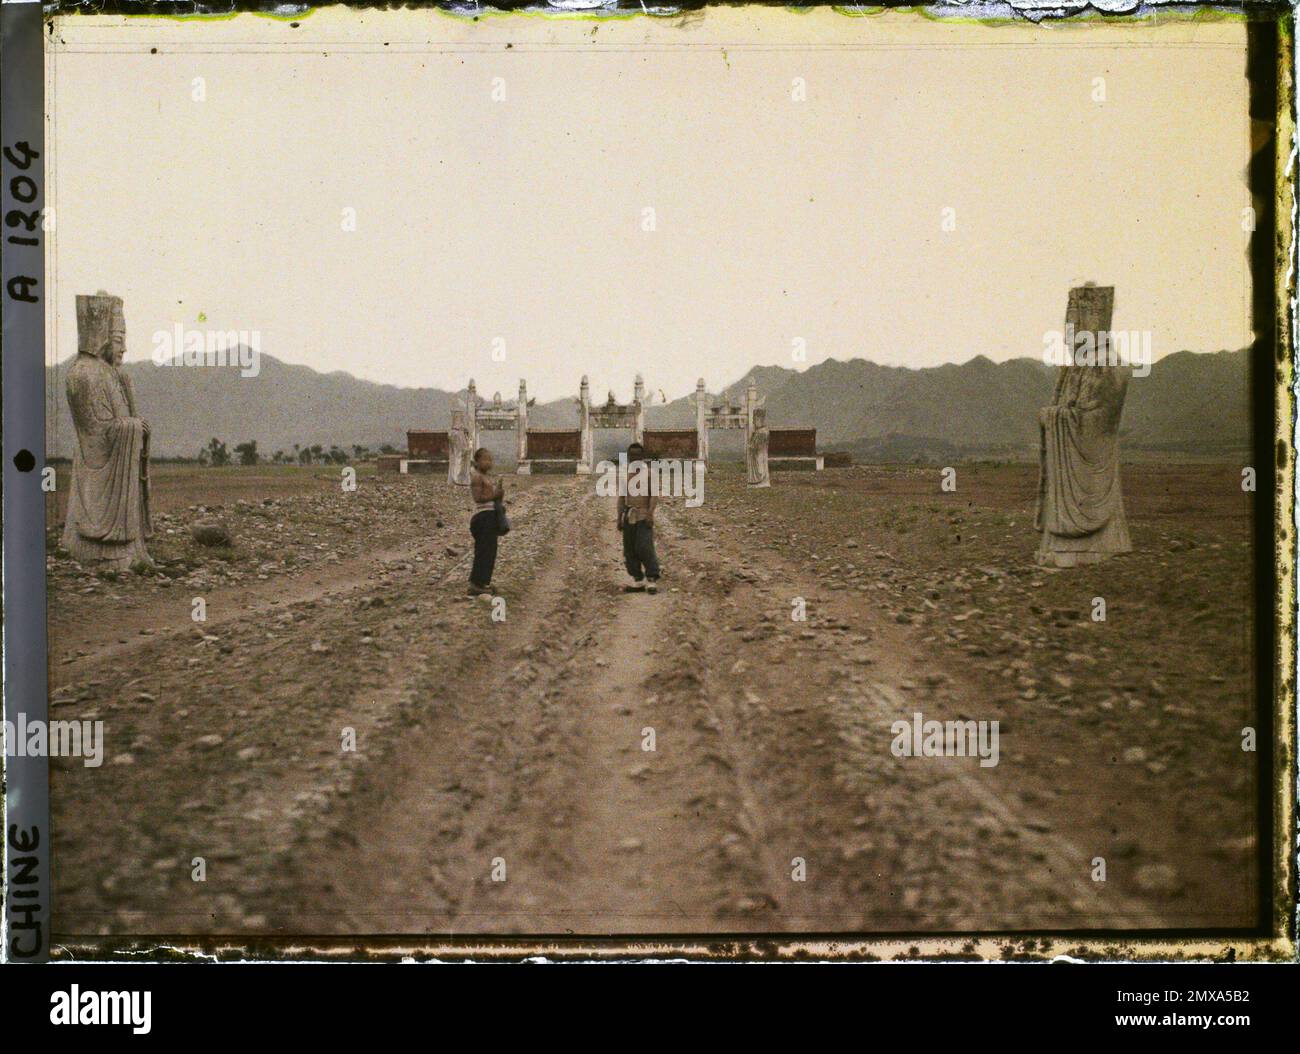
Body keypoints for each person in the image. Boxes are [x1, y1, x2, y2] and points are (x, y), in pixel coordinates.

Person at [617, 442, 661, 594]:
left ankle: (651, 579)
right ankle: (637, 580)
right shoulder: (625, 474)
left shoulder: (650, 474)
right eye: (632, 455)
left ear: (642, 457)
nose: (635, 457)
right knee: (629, 549)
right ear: (629, 457)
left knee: (644, 547)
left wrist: (650, 514)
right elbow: (622, 497)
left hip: (643, 515)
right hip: (629, 515)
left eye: (638, 455)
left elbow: (654, 495)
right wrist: (619, 517)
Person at [468, 447, 503, 595]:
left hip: (490, 515)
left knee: (490, 551)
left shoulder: (486, 477)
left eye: (490, 459)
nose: (489, 462)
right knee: (484, 551)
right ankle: (476, 584)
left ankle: (483, 582)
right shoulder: (477, 477)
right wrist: (495, 495)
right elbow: (478, 498)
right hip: (483, 518)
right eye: (485, 459)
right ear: (477, 462)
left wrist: (499, 497)